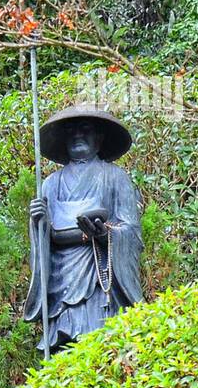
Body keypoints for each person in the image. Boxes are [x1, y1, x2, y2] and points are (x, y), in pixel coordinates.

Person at [24, 105, 143, 352]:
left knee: (101, 345)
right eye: (70, 131)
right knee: (63, 351)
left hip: (100, 279)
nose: (77, 135)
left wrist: (105, 235)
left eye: (85, 129)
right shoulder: (50, 184)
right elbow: (45, 238)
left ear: (99, 139)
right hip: (63, 281)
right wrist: (40, 225)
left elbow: (131, 230)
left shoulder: (115, 177)